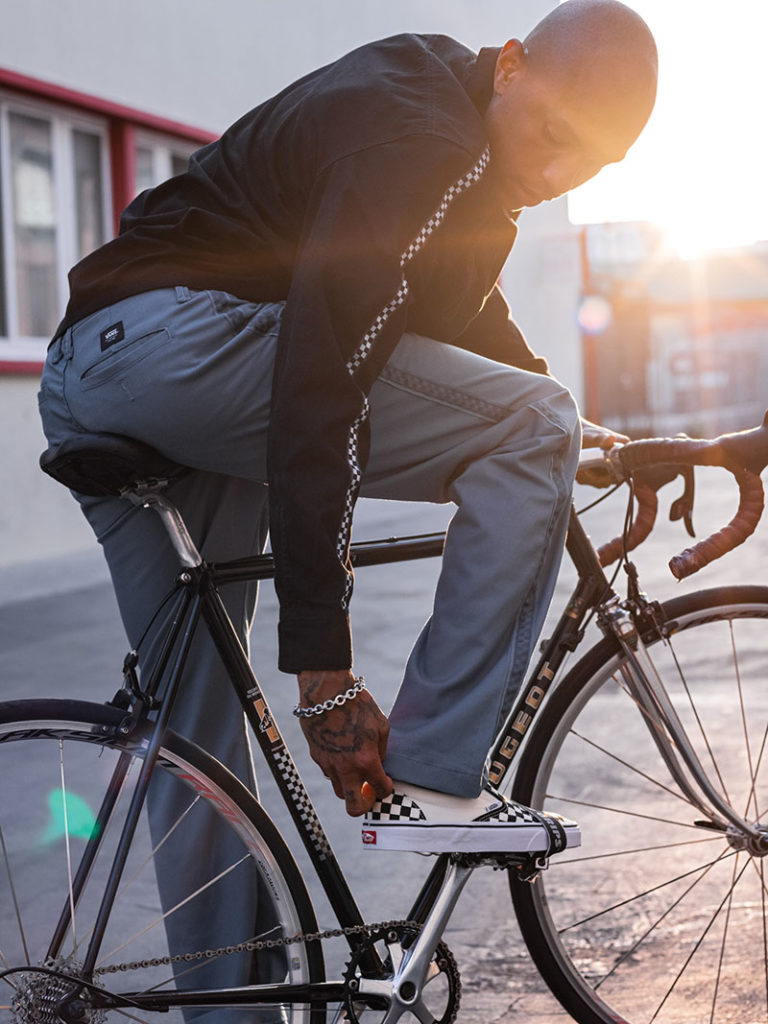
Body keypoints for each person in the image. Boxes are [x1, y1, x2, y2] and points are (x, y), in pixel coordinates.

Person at [38, 0, 657, 1009]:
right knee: (530, 422)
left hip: (97, 367)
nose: (553, 175)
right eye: (552, 135)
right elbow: (320, 396)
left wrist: (588, 443)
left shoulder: (447, 139)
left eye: (586, 165)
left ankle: (231, 1002)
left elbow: (457, 324)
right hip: (171, 346)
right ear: (510, 67)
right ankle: (438, 780)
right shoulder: (416, 138)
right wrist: (325, 681)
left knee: (193, 740)